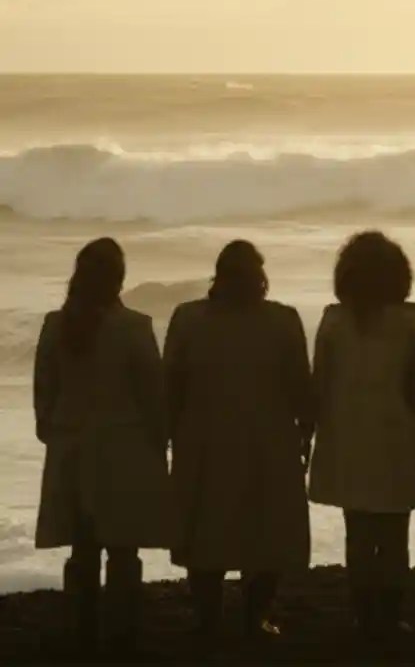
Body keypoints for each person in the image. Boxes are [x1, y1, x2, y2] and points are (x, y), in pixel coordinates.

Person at [164, 241, 312, 645]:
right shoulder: (282, 320)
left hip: (204, 439)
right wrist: (308, 431)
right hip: (268, 439)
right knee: (267, 532)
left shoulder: (188, 318)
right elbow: (301, 385)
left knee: (204, 530)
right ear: (260, 279)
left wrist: (167, 435)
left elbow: (170, 384)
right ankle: (256, 617)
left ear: (219, 277)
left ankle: (209, 619)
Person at [32, 238, 173, 656]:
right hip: (123, 450)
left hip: (71, 448)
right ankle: (122, 634)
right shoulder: (134, 326)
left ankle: (82, 630)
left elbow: (44, 393)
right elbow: (153, 394)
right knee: (123, 550)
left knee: (82, 546)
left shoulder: (56, 325)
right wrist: (160, 442)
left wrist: (53, 432)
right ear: (119, 278)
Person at [309, 231, 415, 640]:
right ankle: (390, 615)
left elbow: (319, 385)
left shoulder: (333, 321)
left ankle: (363, 614)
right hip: (397, 438)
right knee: (394, 534)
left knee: (358, 531)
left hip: (347, 438)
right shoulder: (408, 322)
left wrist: (307, 434)